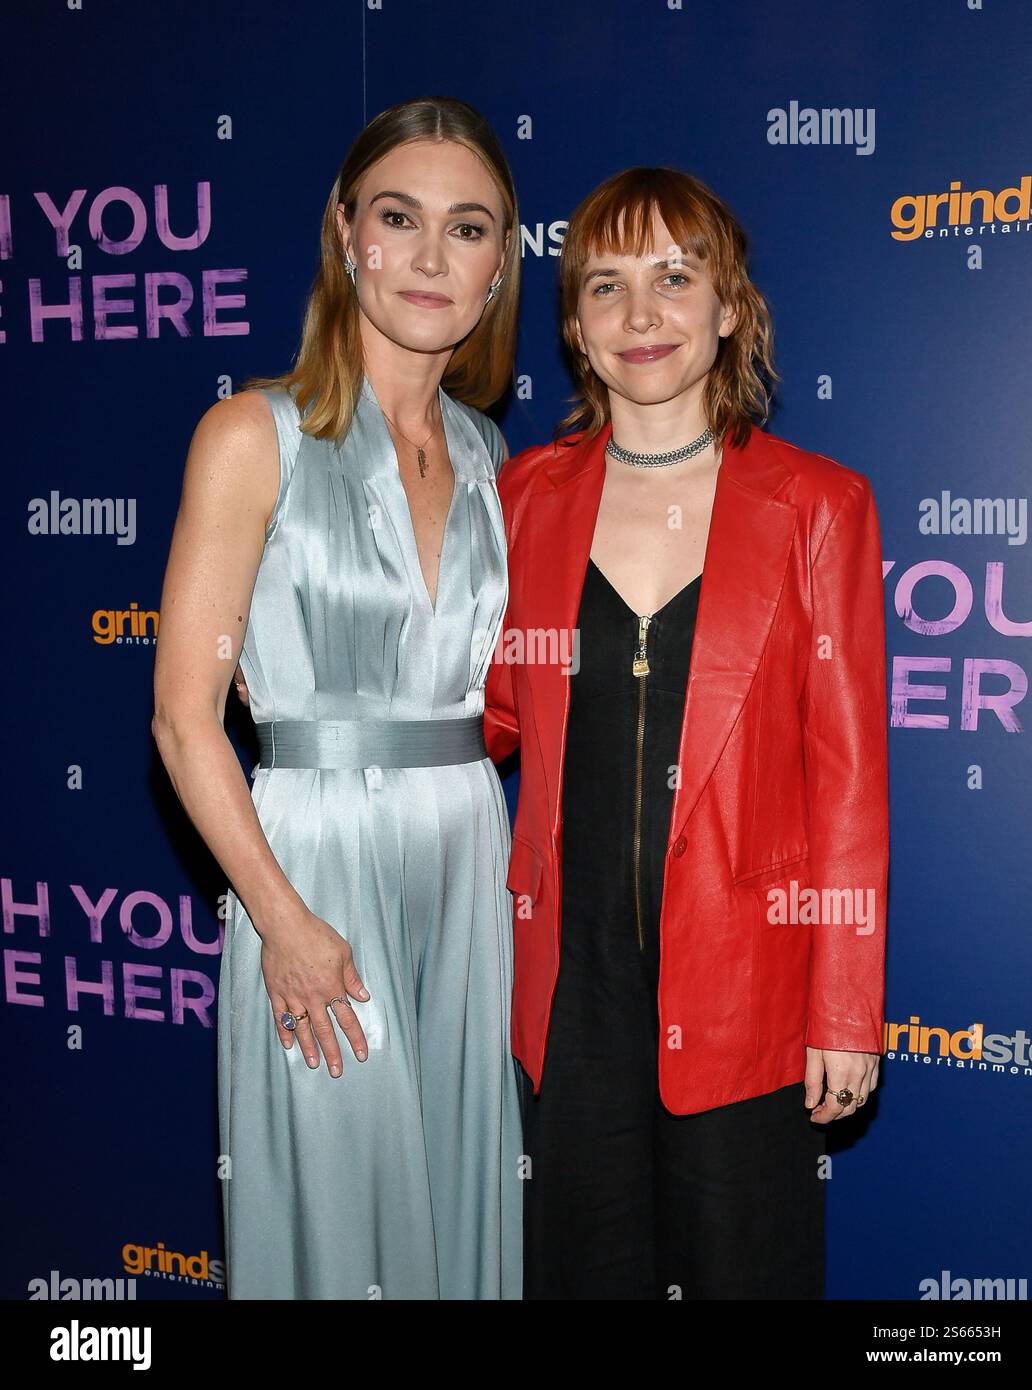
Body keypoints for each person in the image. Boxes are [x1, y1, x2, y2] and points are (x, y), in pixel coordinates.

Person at [483, 166, 889, 1299]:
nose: (642, 316)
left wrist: (844, 1008)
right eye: (605, 286)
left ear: (728, 306)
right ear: (572, 326)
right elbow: (490, 719)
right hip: (569, 996)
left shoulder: (819, 505)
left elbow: (848, 778)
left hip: (746, 985)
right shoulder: (522, 497)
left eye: (675, 277)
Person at [152, 96, 524, 1300]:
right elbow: (182, 717)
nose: (428, 257)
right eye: (398, 218)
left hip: (467, 863)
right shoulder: (249, 436)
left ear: (497, 268)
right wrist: (281, 919)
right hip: (312, 869)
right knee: (338, 1218)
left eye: (466, 230)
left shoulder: (489, 457)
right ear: (345, 234)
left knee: (460, 1202)